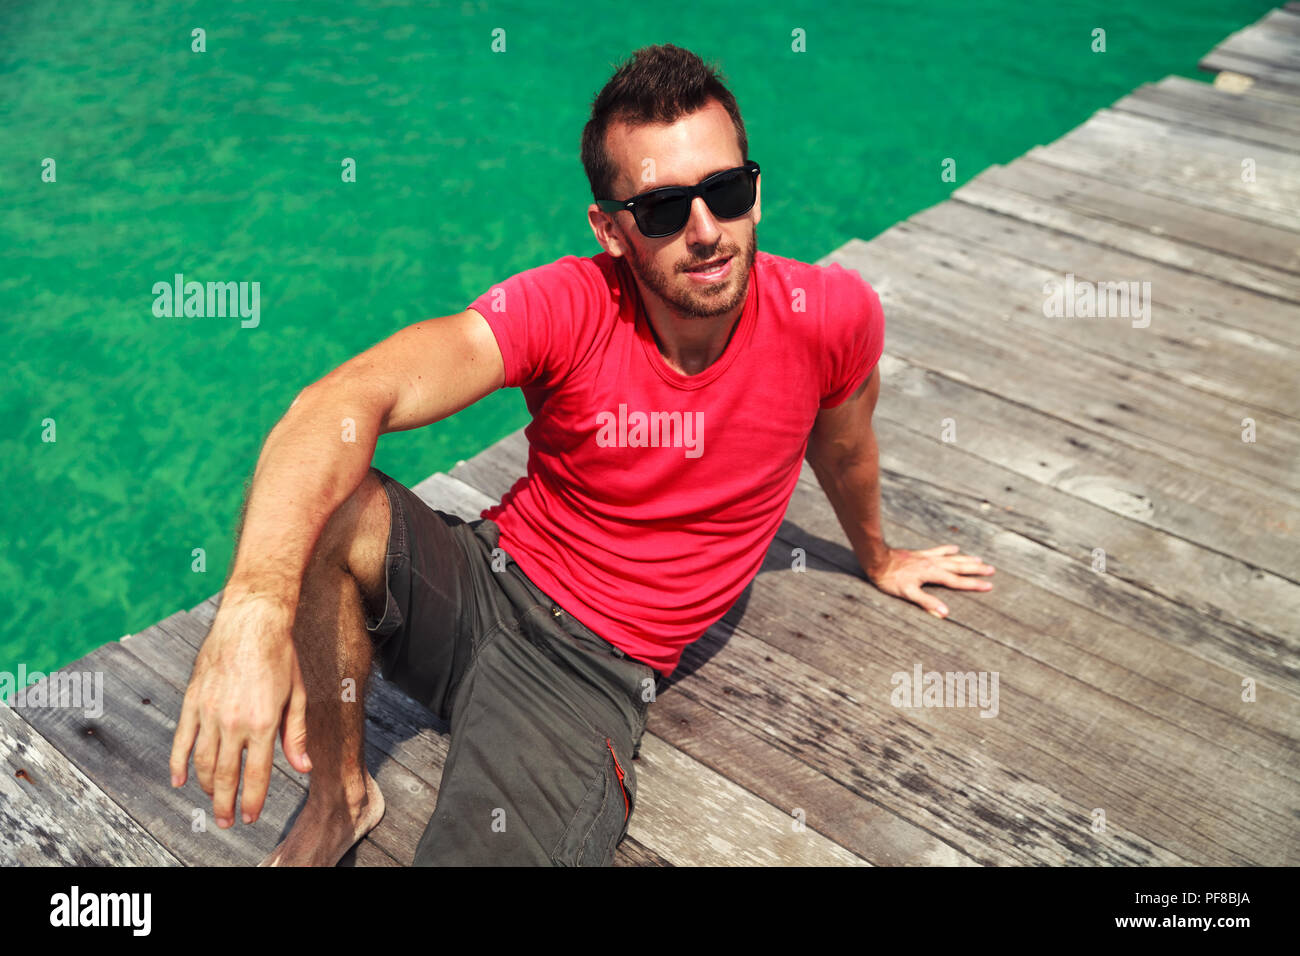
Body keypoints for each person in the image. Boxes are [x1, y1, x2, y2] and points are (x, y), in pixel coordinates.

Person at [168, 43, 995, 866]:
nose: (706, 231)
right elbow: (339, 403)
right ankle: (339, 798)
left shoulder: (831, 317)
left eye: (726, 191)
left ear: (756, 191)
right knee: (326, 507)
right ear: (611, 230)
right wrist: (254, 607)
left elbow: (844, 452)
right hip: (483, 579)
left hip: (585, 674)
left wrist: (878, 556)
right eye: (663, 209)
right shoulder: (570, 304)